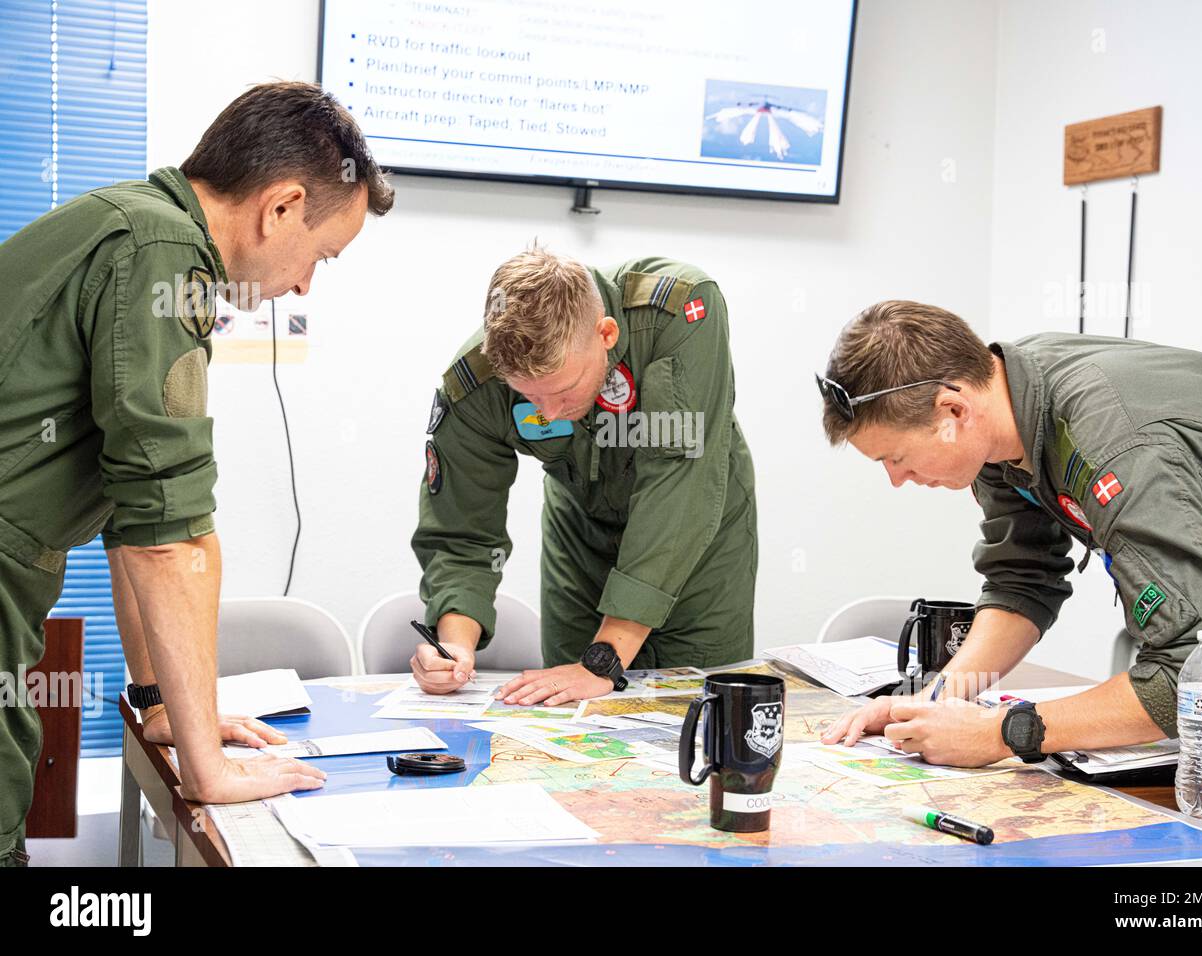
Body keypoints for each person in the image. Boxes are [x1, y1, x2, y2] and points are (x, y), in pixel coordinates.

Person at [0, 81, 394, 865]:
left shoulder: (129, 225)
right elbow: (171, 538)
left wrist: (159, 706)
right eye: (320, 256)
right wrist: (208, 770)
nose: (305, 285)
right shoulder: (164, 252)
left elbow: (134, 513)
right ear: (280, 207)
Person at [816, 300, 1202, 767]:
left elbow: (1198, 678)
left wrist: (999, 734)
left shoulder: (1117, 445)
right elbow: (1023, 581)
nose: (897, 481)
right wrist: (930, 703)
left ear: (954, 411)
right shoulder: (1002, 409)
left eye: (895, 459)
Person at [411, 248, 757, 706]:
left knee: (699, 719)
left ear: (606, 333)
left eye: (562, 390)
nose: (550, 412)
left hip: (696, 548)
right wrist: (455, 642)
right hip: (581, 543)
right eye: (528, 397)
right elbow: (462, 532)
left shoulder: (682, 311)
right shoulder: (474, 385)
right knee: (573, 722)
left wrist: (605, 660)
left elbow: (681, 484)